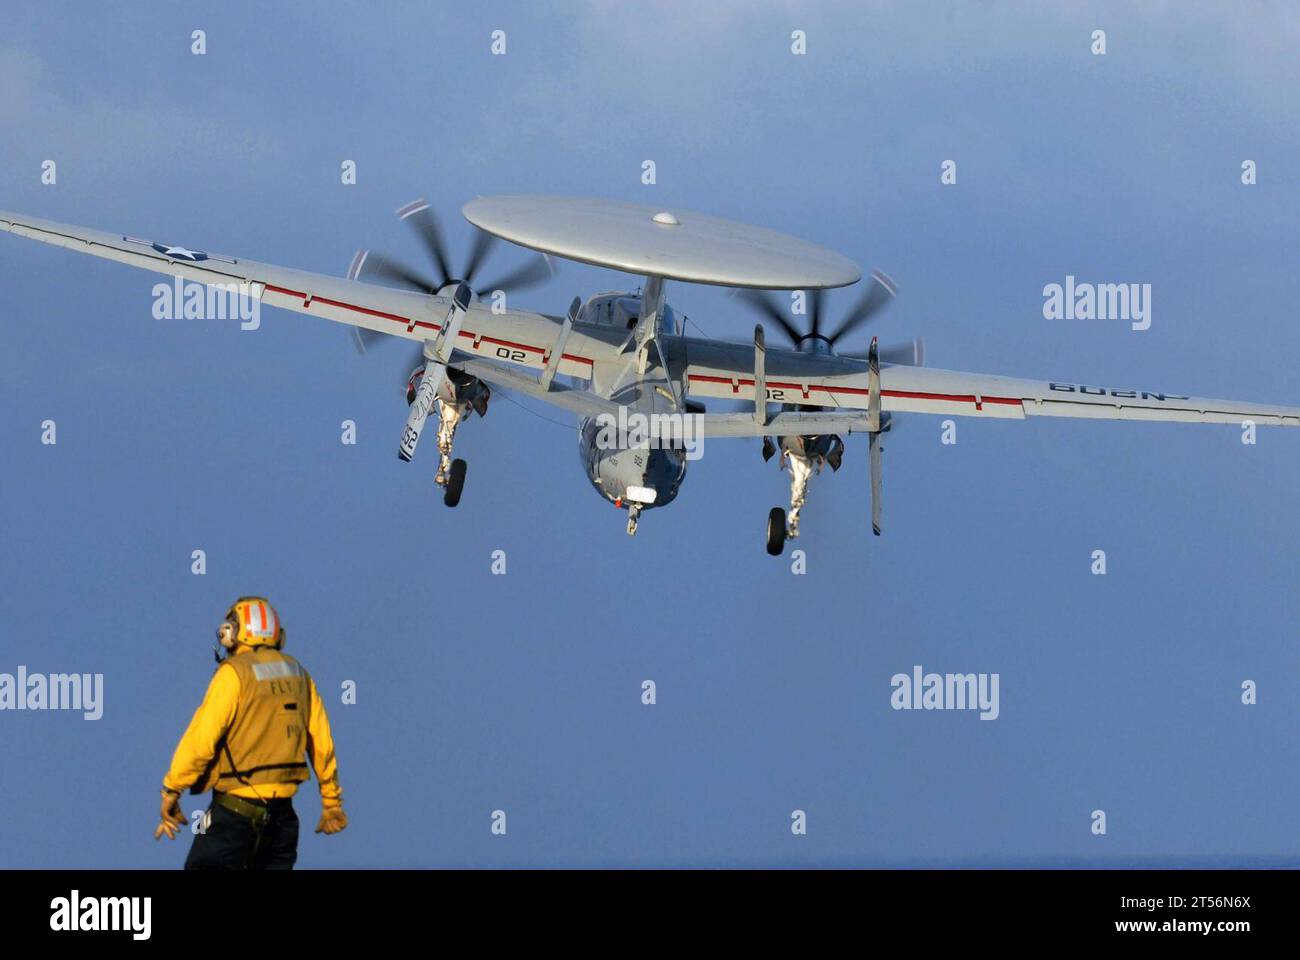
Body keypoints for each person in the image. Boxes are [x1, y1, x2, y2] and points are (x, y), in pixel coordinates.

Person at [154, 596, 348, 868]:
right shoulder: (299, 675)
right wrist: (331, 801)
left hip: (233, 815)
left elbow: (201, 740)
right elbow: (321, 743)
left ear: (232, 632)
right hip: (282, 822)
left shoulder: (233, 674)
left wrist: (172, 790)